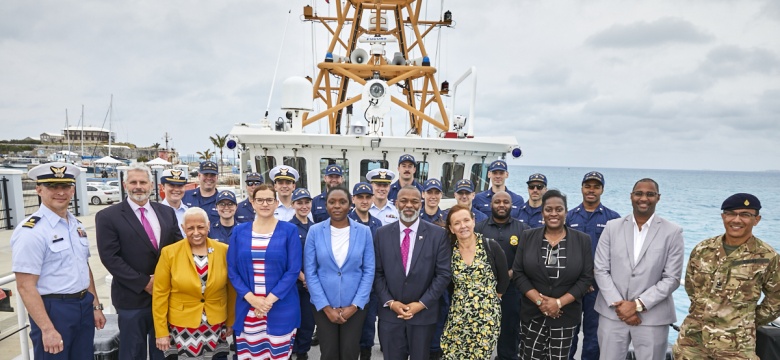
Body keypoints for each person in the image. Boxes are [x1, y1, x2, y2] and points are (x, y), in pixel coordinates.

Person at [11, 162, 106, 359]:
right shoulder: (32, 231)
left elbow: (83, 266)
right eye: (53, 187)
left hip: (83, 306)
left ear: (72, 190)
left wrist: (95, 305)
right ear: (39, 190)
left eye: (65, 187)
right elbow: (25, 286)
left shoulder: (76, 225)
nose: (60, 192)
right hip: (54, 310)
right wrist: (47, 329)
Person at [673, 193, 780, 359]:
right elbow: (691, 286)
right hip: (693, 341)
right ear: (723, 217)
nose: (736, 220)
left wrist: (746, 320)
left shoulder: (767, 256)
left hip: (736, 345)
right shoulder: (703, 249)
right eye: (731, 213)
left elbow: (776, 299)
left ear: (756, 219)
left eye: (745, 215)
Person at [97, 163, 183, 360]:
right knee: (132, 352)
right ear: (125, 184)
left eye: (143, 182)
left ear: (151, 186)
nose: (138, 186)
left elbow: (178, 249)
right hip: (131, 299)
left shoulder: (166, 212)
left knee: (164, 351)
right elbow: (110, 257)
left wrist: (163, 281)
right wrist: (145, 282)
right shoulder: (108, 217)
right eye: (133, 182)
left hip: (165, 297)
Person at [594, 178, 684, 360]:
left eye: (650, 194)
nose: (644, 198)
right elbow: (600, 269)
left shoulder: (673, 232)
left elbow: (672, 278)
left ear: (658, 198)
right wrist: (620, 305)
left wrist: (636, 305)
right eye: (639, 193)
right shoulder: (612, 227)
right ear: (631, 197)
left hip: (653, 317)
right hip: (612, 314)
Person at [512, 189, 594, 360]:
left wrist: (558, 303)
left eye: (559, 209)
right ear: (542, 212)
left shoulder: (582, 240)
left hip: (565, 315)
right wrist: (541, 302)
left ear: (566, 211)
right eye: (549, 209)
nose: (554, 214)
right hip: (532, 313)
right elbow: (519, 273)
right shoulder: (528, 236)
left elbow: (586, 278)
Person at [373, 186, 452, 360]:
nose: (409, 205)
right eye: (404, 201)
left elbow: (443, 274)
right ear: (396, 204)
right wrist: (391, 302)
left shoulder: (438, 235)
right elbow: (377, 273)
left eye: (414, 201)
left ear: (421, 204)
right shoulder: (381, 234)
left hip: (424, 316)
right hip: (391, 315)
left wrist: (421, 303)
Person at [227, 184, 301, 359]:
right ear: (252, 203)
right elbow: (232, 270)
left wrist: (267, 301)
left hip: (280, 307)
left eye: (269, 200)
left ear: (276, 203)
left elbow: (293, 270)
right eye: (260, 200)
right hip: (249, 308)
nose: (265, 204)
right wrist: (252, 299)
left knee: (278, 354)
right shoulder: (239, 231)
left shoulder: (289, 230)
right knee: (251, 355)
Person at [153, 207, 235, 359]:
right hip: (183, 326)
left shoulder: (224, 251)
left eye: (201, 227)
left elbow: (231, 290)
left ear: (208, 226)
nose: (196, 232)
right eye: (190, 228)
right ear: (183, 228)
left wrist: (230, 321)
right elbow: (160, 295)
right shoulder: (169, 253)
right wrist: (161, 331)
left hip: (216, 325)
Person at [305, 187, 376, 359]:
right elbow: (310, 271)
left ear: (350, 203)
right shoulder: (314, 231)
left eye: (342, 202)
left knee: (350, 352)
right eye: (332, 202)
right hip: (323, 306)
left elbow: (369, 270)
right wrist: (326, 307)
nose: (337, 206)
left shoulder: (364, 232)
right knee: (328, 352)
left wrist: (355, 305)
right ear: (326, 204)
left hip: (355, 306)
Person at [440, 204, 508, 359]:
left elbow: (504, 279)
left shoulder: (491, 246)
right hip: (458, 318)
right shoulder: (450, 251)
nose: (463, 226)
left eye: (466, 220)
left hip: (486, 320)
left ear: (473, 221)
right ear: (451, 228)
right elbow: (449, 285)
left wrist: (490, 300)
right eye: (457, 223)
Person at [566, 171, 620, 360]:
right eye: (588, 186)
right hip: (572, 287)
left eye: (596, 186)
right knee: (568, 333)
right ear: (582, 188)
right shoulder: (569, 217)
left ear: (602, 190)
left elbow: (618, 255)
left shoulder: (613, 219)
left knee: (594, 335)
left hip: (598, 289)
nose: (591, 190)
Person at [474, 191, 530, 360]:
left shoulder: (522, 229)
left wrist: (509, 275)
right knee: (480, 332)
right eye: (497, 201)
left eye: (505, 202)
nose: (501, 205)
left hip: (512, 292)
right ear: (491, 205)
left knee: (509, 332)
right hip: (482, 291)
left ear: (511, 205)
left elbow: (526, 258)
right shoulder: (479, 227)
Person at [348, 182, 383, 359]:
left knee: (369, 325)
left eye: (367, 197)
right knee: (351, 327)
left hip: (371, 284)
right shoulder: (345, 222)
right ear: (353, 199)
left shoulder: (378, 223)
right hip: (350, 283)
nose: (364, 201)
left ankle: (366, 353)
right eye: (360, 197)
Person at [290, 188, 316, 360]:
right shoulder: (288, 228)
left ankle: (303, 353)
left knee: (308, 322)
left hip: (311, 284)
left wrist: (312, 279)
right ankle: (291, 351)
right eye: (299, 203)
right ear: (293, 205)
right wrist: (303, 278)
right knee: (293, 320)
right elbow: (287, 259)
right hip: (294, 283)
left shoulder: (316, 228)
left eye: (307, 202)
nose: (304, 206)